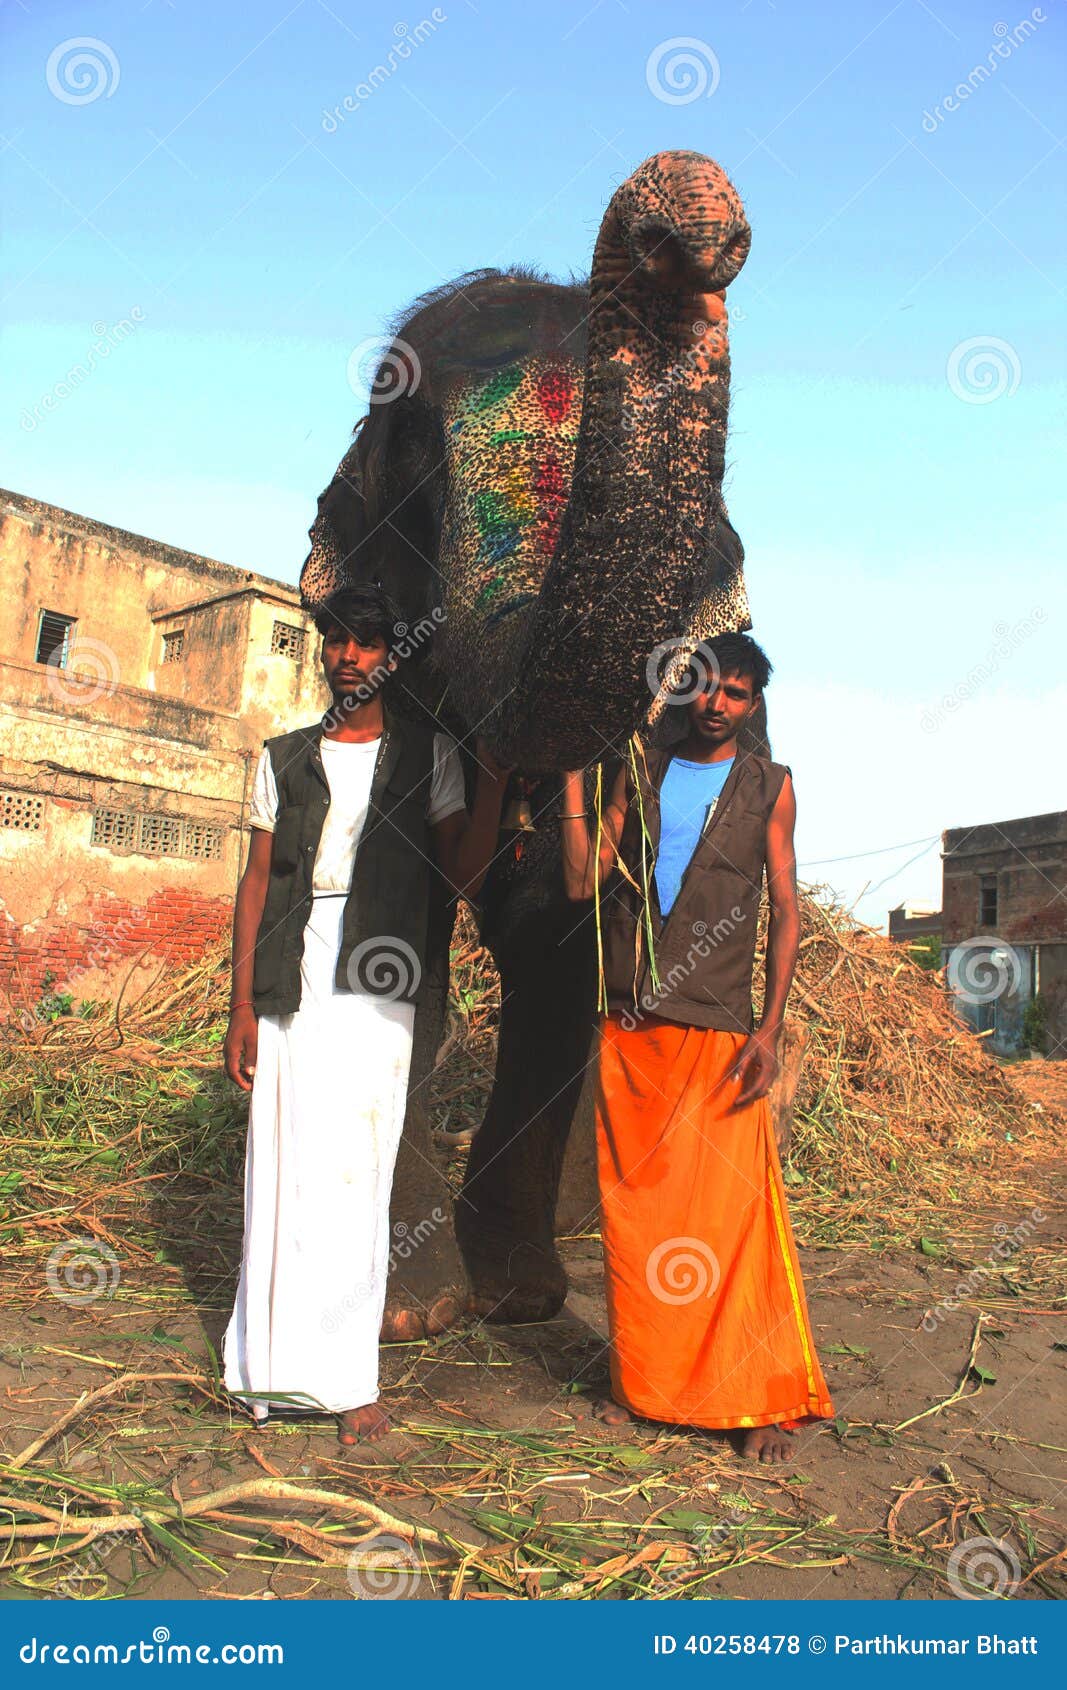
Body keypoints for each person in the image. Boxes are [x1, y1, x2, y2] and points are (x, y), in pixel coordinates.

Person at [222, 584, 509, 1447]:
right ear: (324, 651)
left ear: (391, 655)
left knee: (359, 1170)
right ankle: (266, 1376)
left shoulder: (429, 758)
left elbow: (459, 875)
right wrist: (239, 1003)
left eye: (368, 642)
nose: (350, 654)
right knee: (280, 1165)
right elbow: (255, 881)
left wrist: (493, 778)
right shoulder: (282, 757)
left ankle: (348, 1383)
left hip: (381, 970)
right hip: (291, 968)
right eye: (338, 640)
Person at [560, 633, 832, 1461]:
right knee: (639, 1215)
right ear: (687, 689)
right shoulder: (637, 771)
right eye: (709, 687)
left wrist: (770, 1026)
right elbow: (584, 881)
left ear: (752, 707)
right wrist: (573, 776)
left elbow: (785, 910)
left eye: (738, 694)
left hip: (718, 1024)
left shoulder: (769, 787)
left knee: (728, 1217)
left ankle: (754, 1398)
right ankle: (644, 1386)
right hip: (631, 1020)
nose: (718, 704)